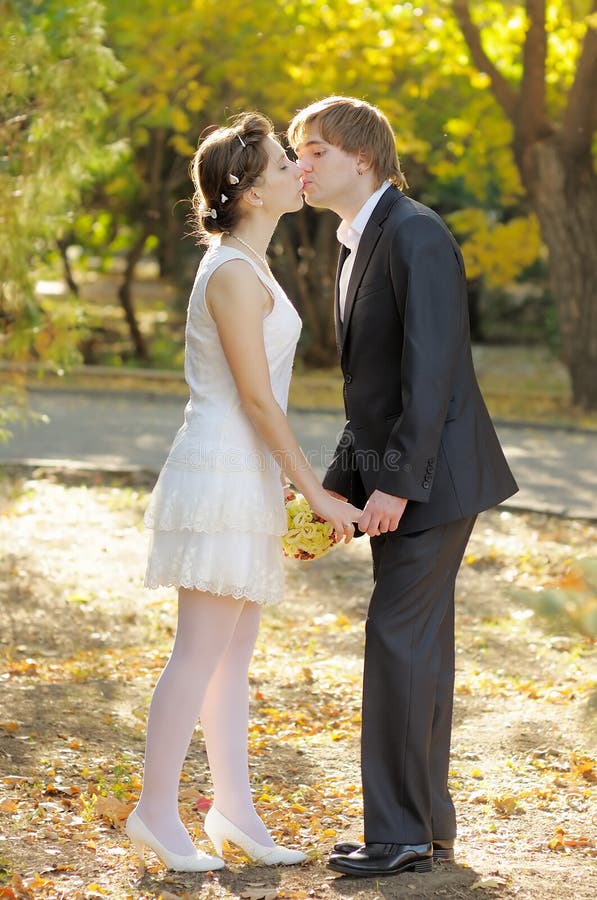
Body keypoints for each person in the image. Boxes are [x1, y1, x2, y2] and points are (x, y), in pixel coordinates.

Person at [126, 111, 362, 874]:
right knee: (196, 653)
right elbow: (257, 401)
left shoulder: (251, 265)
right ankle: (156, 812)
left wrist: (287, 486)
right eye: (283, 159)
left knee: (232, 658)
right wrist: (317, 493)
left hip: (245, 472)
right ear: (253, 193)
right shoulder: (228, 270)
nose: (300, 165)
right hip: (222, 470)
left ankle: (234, 810)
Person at [288, 97, 518, 878]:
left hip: (433, 483)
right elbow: (373, 390)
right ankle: (422, 829)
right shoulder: (359, 239)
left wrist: (396, 491)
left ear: (362, 156)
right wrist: (330, 495)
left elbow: (433, 376)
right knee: (416, 651)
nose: (301, 166)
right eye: (298, 153)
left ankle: (396, 835)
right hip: (406, 477)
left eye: (313, 150)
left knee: (395, 643)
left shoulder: (414, 233)